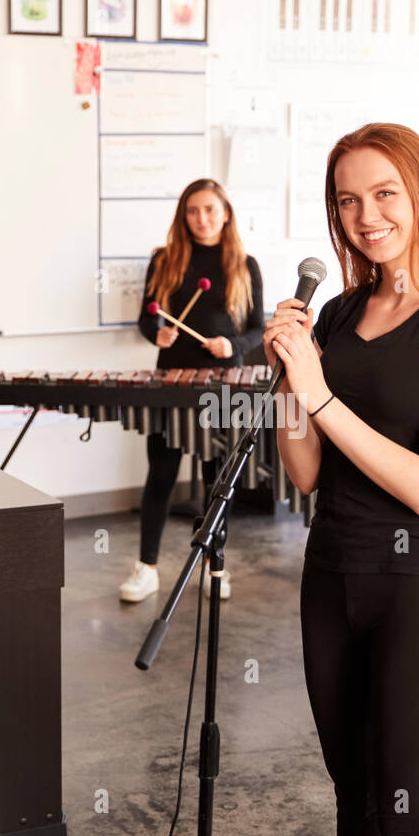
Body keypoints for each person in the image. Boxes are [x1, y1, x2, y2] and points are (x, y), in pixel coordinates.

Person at [264, 123, 419, 836]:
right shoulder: (339, 313)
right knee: (356, 808)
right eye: (347, 201)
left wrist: (318, 394)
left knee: (406, 820)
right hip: (331, 580)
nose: (365, 217)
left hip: (417, 596)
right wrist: (290, 377)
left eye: (384, 194)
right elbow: (307, 471)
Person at [119, 179, 264, 603]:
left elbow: (257, 327)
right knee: (160, 475)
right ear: (184, 215)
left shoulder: (244, 264)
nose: (202, 219)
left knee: (216, 480)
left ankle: (213, 563)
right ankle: (147, 568)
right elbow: (148, 318)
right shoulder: (165, 260)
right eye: (193, 211)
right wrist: (157, 334)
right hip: (172, 380)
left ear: (226, 213)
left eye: (210, 210)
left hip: (222, 382)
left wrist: (232, 345)